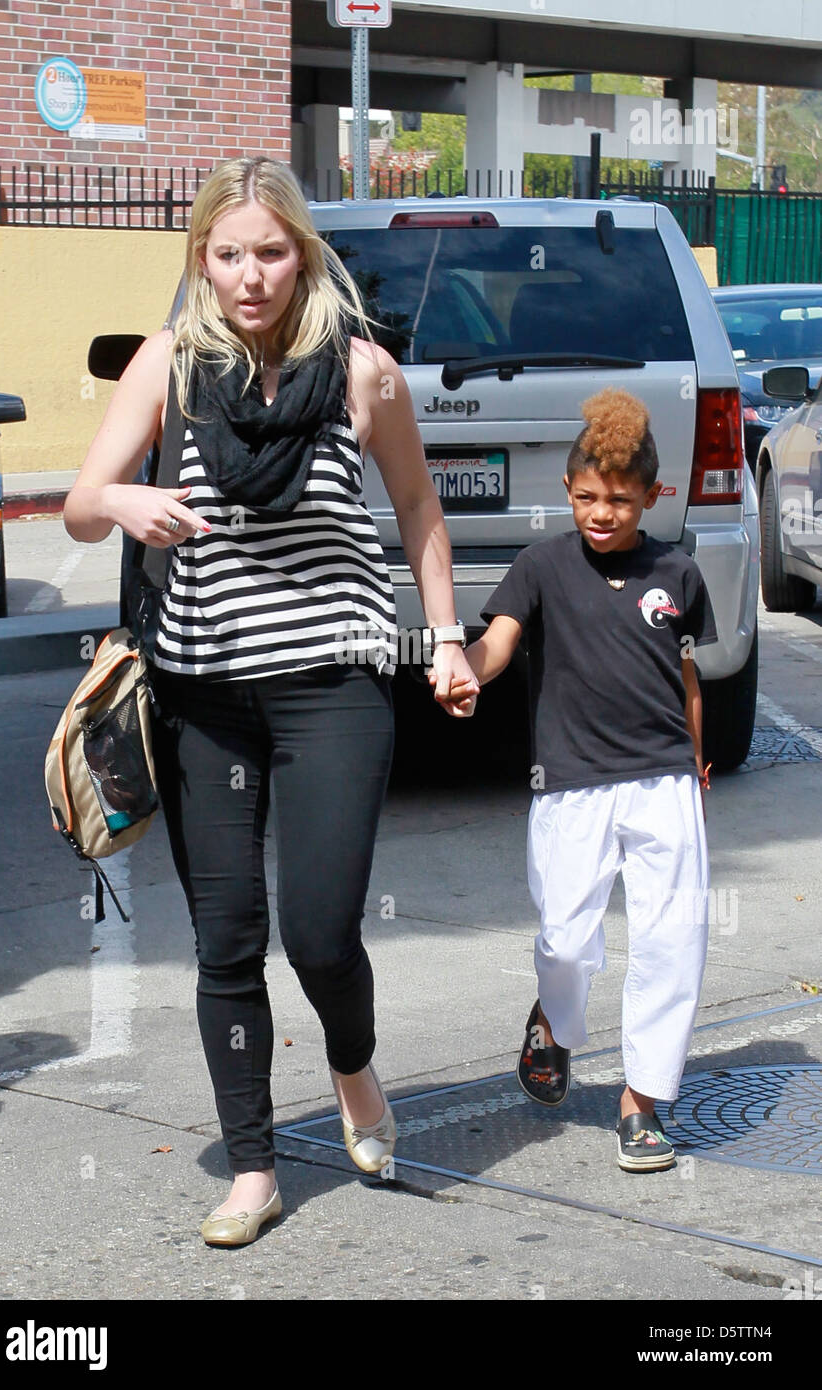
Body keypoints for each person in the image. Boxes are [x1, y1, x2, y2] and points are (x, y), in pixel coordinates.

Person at [64, 155, 478, 1244]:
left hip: (332, 687)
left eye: (272, 252)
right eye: (229, 253)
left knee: (320, 932)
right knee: (226, 942)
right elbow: (76, 505)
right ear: (201, 257)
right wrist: (125, 496)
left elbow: (420, 506)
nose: (251, 276)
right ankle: (251, 1167)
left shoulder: (360, 374)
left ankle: (352, 1073)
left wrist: (445, 639)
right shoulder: (167, 365)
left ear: (304, 255)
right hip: (202, 695)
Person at [434, 388, 716, 1171]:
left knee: (673, 940)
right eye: (588, 497)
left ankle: (644, 1102)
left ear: (652, 497)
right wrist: (467, 674)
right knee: (566, 938)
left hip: (663, 780)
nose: (603, 513)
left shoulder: (678, 572)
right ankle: (555, 1025)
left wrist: (696, 762)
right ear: (566, 492)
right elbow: (498, 645)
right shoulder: (541, 566)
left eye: (621, 501)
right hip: (570, 785)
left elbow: (688, 678)